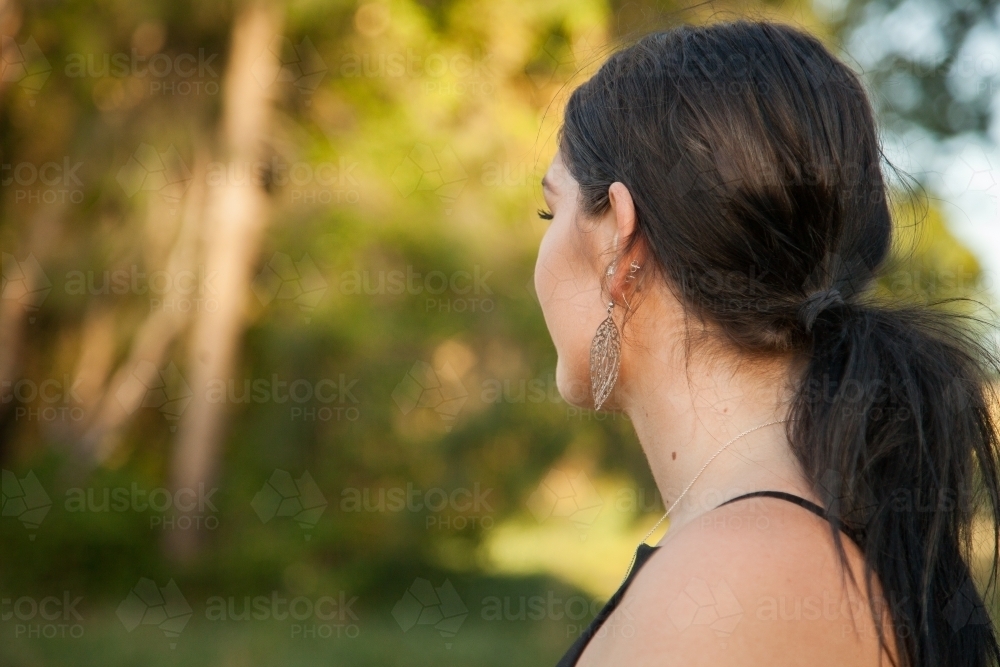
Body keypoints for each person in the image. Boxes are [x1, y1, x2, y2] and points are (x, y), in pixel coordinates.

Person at [533, 20, 1000, 667]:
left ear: (617, 235)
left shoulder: (737, 585)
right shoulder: (772, 552)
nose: (541, 251)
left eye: (548, 213)